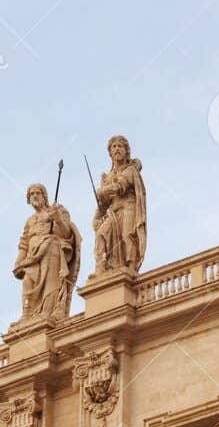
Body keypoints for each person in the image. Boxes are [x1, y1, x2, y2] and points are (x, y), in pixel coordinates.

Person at [12, 183, 80, 325]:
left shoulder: (58, 211)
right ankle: (27, 315)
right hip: (32, 257)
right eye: (31, 194)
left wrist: (57, 218)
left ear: (44, 196)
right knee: (27, 281)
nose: (35, 196)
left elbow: (67, 234)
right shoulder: (30, 221)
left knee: (51, 282)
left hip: (51, 251)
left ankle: (47, 312)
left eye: (38, 193)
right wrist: (18, 262)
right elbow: (24, 244)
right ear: (28, 199)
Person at [92, 135, 147, 274]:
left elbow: (120, 185)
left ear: (126, 151)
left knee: (127, 236)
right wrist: (96, 217)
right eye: (114, 147)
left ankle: (130, 266)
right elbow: (103, 204)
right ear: (110, 153)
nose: (117, 149)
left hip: (128, 207)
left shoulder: (130, 169)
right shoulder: (108, 176)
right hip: (113, 211)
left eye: (120, 146)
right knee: (101, 234)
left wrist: (103, 190)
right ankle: (101, 267)